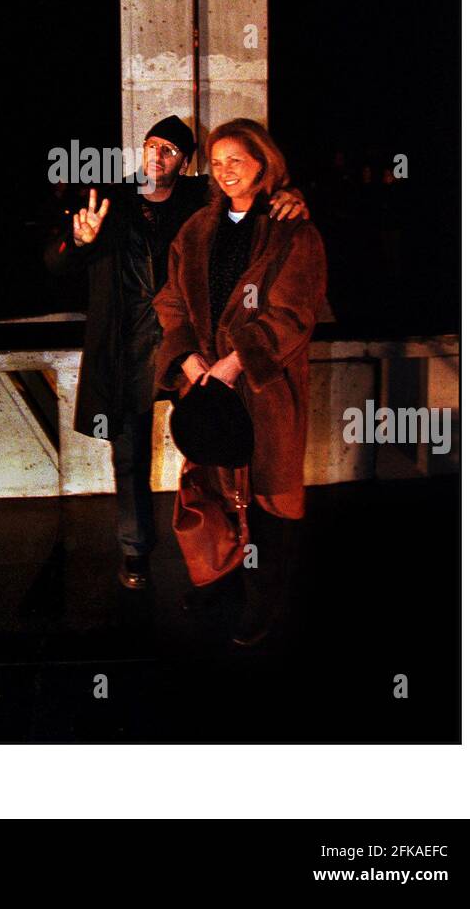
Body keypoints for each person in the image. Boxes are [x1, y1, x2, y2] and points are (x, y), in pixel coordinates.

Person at [44, 115, 308, 591]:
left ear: (185, 162)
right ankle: (135, 549)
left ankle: (221, 563)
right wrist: (79, 241)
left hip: (188, 352)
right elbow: (54, 261)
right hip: (125, 351)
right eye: (150, 146)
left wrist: (294, 197)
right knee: (128, 457)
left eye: (169, 150)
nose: (156, 157)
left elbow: (258, 191)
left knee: (211, 459)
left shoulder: (202, 202)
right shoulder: (109, 199)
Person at [153, 119, 326, 645]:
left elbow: (292, 314)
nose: (226, 171)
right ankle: (219, 582)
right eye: (218, 160)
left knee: (266, 499)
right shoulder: (197, 228)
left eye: (238, 161)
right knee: (211, 489)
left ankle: (261, 600)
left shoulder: (293, 231)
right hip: (203, 385)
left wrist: (232, 364)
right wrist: (186, 361)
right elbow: (171, 302)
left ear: (263, 164)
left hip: (263, 389)